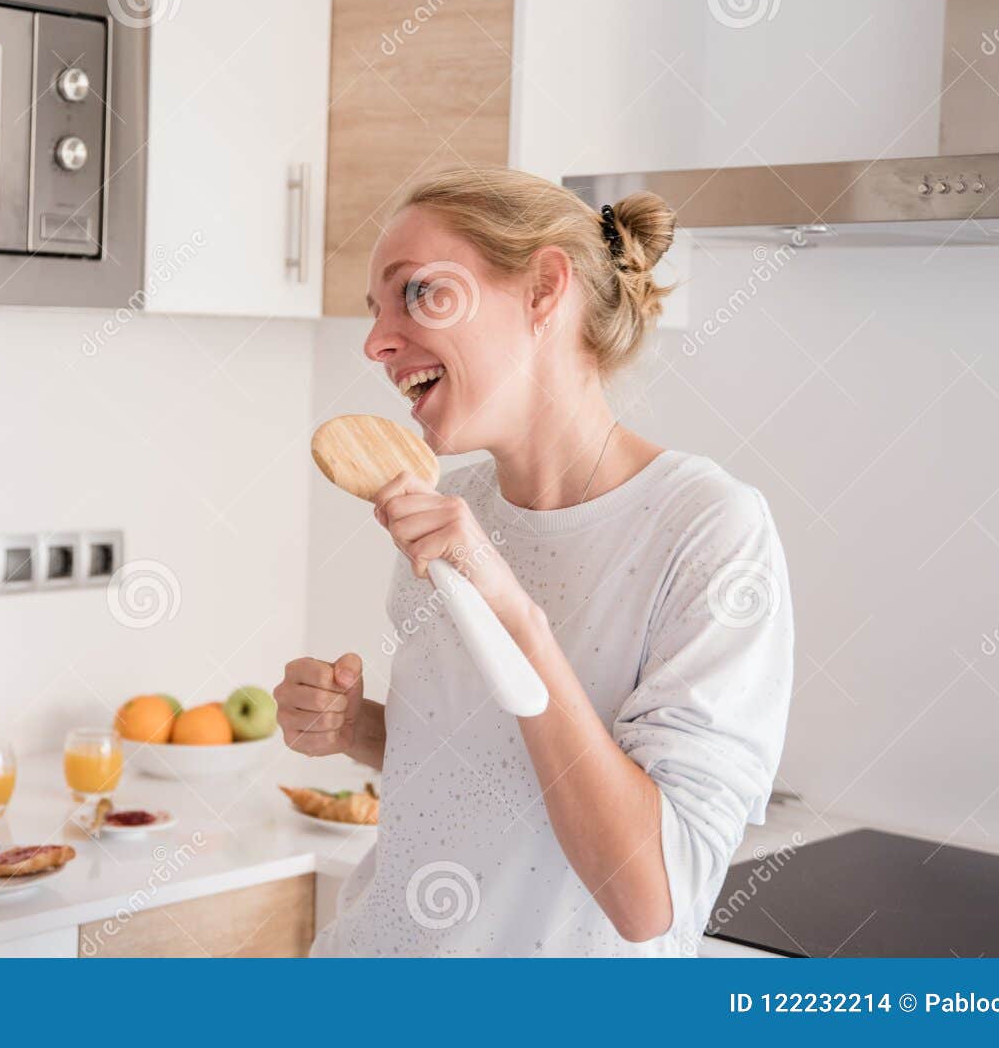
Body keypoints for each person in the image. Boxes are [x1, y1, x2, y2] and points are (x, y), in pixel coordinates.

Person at [276, 166, 794, 955]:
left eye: (416, 292)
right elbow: (484, 760)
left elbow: (647, 896)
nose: (376, 341)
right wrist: (358, 729)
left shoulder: (707, 529)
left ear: (544, 289)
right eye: (375, 310)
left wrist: (507, 607)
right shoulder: (457, 506)